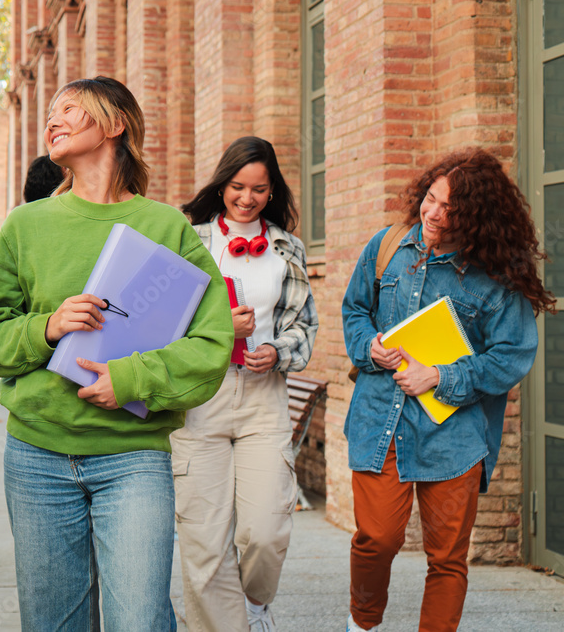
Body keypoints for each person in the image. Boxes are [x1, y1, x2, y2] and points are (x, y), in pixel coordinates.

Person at [0, 76, 234, 630]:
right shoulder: (27, 224)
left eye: (71, 109)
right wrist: (47, 328)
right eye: (51, 113)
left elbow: (212, 342)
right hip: (37, 458)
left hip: (133, 458)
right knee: (53, 623)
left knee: (140, 619)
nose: (53, 120)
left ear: (115, 125)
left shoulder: (165, 226)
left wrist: (132, 379)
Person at [341, 148, 555, 632]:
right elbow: (354, 311)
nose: (434, 214)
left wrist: (441, 376)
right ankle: (362, 623)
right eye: (431, 200)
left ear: (478, 217)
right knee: (377, 537)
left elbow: (513, 354)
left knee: (448, 557)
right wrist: (369, 347)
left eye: (451, 209)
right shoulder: (387, 246)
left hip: (455, 436)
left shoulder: (496, 276)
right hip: (382, 422)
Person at [171, 136, 319, 632]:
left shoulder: (288, 246)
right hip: (202, 400)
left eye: (259, 188)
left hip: (263, 399)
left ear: (272, 190)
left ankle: (254, 606)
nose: (247, 198)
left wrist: (278, 350)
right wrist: (217, 330)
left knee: (265, 531)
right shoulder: (190, 240)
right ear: (222, 184)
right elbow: (164, 321)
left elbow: (305, 325)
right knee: (205, 542)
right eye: (237, 186)